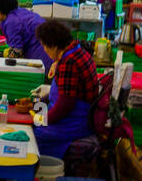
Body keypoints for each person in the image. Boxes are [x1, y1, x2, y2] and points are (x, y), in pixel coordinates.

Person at [32, 19, 98, 158]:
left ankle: (36, 175)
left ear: (54, 45)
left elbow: (64, 107)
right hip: (72, 117)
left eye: (44, 45)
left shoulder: (69, 62)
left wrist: (39, 119)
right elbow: (63, 94)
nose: (44, 50)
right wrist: (37, 103)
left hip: (73, 123)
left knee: (31, 137)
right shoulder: (79, 51)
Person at [0, 0, 51, 69]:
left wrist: (1, 55)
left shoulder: (11, 21)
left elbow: (17, 52)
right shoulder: (20, 12)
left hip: (43, 55)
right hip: (50, 49)